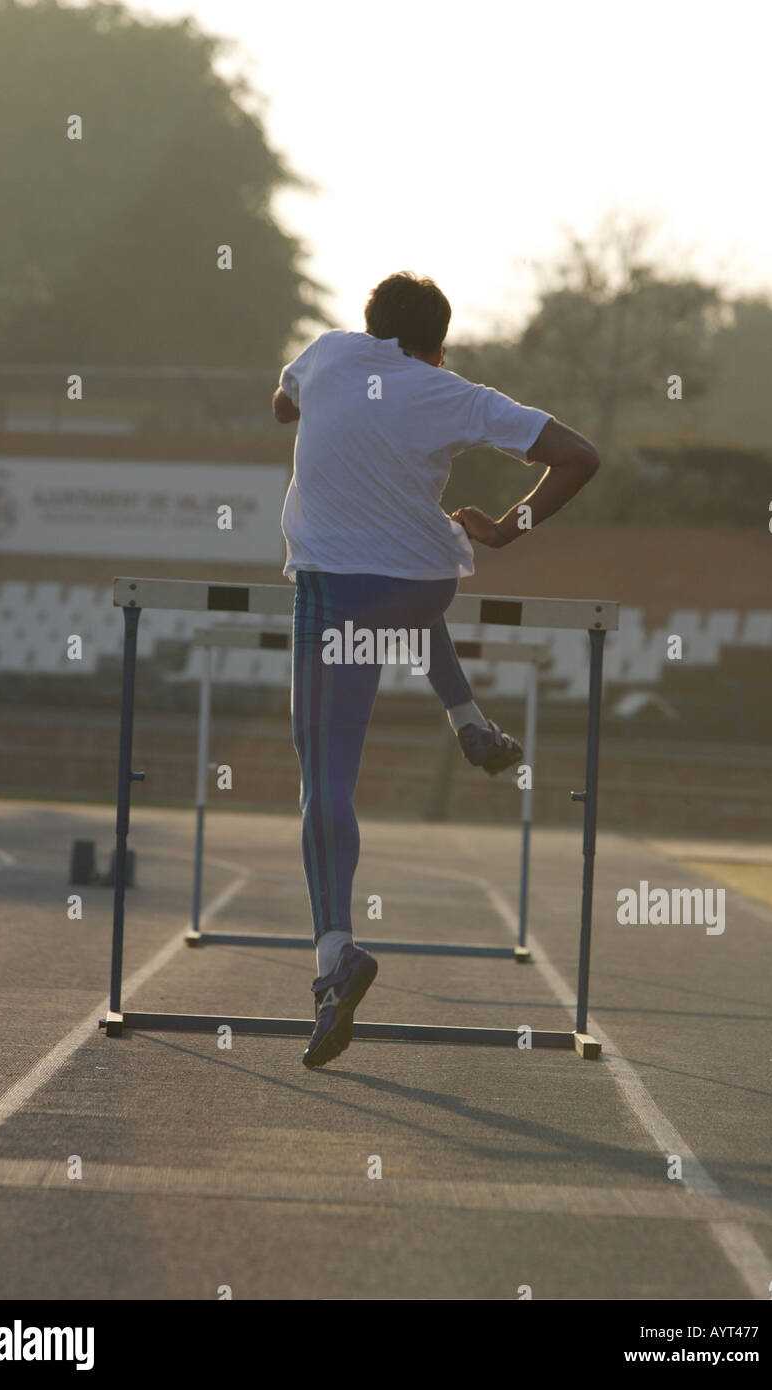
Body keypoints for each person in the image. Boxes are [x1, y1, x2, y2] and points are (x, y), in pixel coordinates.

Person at [272, 271, 599, 1068]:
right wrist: (510, 529)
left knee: (326, 781)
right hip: (423, 583)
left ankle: (334, 960)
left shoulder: (326, 356)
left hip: (331, 595)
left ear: (369, 327)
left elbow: (282, 406)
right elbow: (578, 457)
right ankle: (470, 723)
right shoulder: (455, 393)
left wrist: (311, 397)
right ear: (438, 346)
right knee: (410, 601)